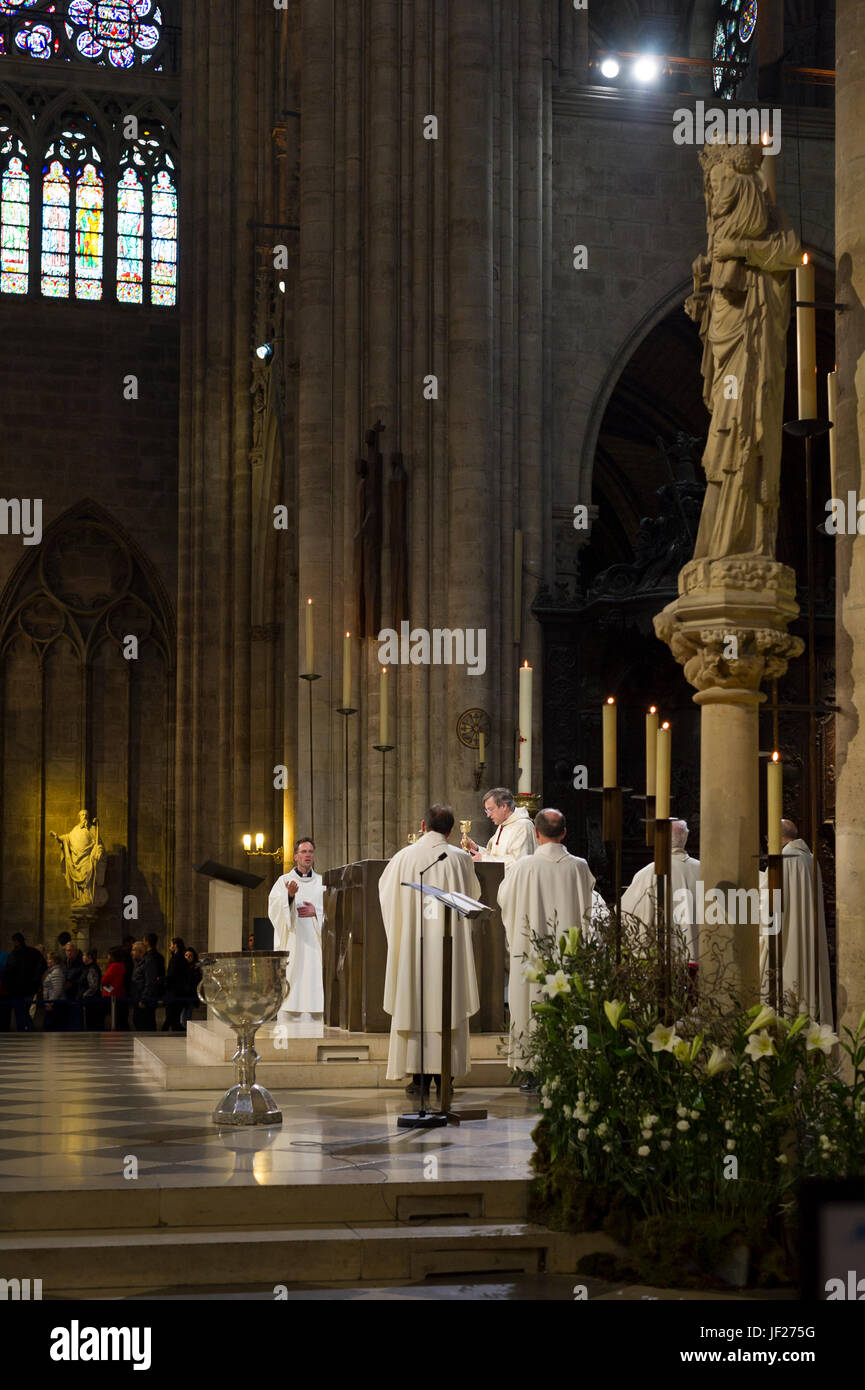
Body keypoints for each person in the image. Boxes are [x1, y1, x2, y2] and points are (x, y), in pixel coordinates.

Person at [379, 803, 481, 1096]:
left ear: (422, 826)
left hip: (414, 944)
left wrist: (403, 927)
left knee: (414, 999)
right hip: (449, 947)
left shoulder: (403, 857)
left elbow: (386, 894)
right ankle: (445, 1077)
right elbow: (473, 896)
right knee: (447, 999)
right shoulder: (461, 859)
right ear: (450, 831)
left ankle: (418, 1078)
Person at [498, 809, 595, 1084]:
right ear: (564, 832)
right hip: (569, 949)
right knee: (570, 1004)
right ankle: (571, 1063)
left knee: (530, 1002)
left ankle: (531, 1069)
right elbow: (588, 905)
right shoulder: (579, 866)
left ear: (536, 834)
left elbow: (504, 899)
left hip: (530, 950)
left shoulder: (523, 866)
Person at [759, 819, 832, 1022]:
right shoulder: (810, 859)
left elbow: (767, 906)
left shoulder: (783, 860)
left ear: (774, 837)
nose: (766, 843)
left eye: (767, 838)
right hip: (806, 937)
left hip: (787, 939)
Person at [621, 819, 701, 962]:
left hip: (663, 961)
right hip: (701, 960)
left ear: (661, 838)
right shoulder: (706, 871)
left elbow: (626, 917)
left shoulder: (650, 873)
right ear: (686, 837)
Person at [268, 837, 325, 1033]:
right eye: (303, 852)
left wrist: (316, 912)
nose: (308, 855)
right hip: (294, 944)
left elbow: (333, 911)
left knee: (314, 980)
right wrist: (289, 897)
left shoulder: (322, 883)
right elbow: (275, 911)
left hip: (315, 947)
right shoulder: (283, 882)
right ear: (295, 856)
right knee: (294, 979)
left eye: (310, 852)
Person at [464, 787, 536, 869]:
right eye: (487, 811)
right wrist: (476, 849)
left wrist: (484, 859)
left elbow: (518, 861)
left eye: (490, 810)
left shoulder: (523, 826)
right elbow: (493, 855)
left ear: (504, 806)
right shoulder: (504, 825)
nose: (488, 815)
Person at [2, 933, 45, 1032]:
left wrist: (8, 986)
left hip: (18, 990)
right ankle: (29, 1031)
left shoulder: (14, 954)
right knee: (25, 1012)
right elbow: (42, 966)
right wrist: (35, 979)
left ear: (16, 942)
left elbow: (9, 971)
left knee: (20, 1013)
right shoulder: (33, 952)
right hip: (30, 988)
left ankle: (24, 1033)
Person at [162, 937, 193, 1033]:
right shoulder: (181, 959)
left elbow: (173, 975)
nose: (170, 947)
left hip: (174, 993)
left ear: (175, 945)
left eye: (171, 944)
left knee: (171, 1018)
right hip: (178, 993)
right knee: (174, 1020)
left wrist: (162, 979)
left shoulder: (176, 959)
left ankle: (161, 1034)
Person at [130, 941, 158, 1031]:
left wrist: (144, 999)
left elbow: (149, 983)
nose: (132, 952)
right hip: (138, 998)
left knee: (145, 1025)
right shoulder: (139, 963)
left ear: (141, 951)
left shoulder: (148, 962)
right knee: (138, 1022)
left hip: (144, 1001)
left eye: (134, 950)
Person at [62, 939, 87, 1031]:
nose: (69, 953)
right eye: (67, 950)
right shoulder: (64, 963)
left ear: (76, 951)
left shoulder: (81, 963)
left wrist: (72, 983)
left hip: (76, 995)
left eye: (70, 950)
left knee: (76, 1021)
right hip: (65, 995)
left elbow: (83, 977)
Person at [101, 947, 128, 1031]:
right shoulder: (122, 965)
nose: (107, 956)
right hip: (118, 993)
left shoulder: (114, 966)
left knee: (114, 1018)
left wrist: (102, 984)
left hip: (111, 995)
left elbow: (104, 980)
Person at [41, 952, 67, 1032]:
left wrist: (50, 1003)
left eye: (49, 959)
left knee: (51, 1029)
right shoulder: (52, 971)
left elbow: (57, 990)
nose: (47, 960)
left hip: (55, 1005)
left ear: (54, 961)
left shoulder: (56, 972)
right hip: (53, 1004)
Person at [80, 950, 103, 1030]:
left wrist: (85, 994)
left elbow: (93, 986)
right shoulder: (89, 968)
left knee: (92, 1022)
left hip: (92, 1000)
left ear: (89, 957)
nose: (82, 957)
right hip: (92, 999)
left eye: (83, 955)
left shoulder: (92, 969)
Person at [182, 948, 202, 1028]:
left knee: (186, 1018)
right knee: (182, 1018)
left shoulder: (195, 968)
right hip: (182, 996)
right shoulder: (182, 967)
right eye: (186, 955)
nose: (187, 957)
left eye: (190, 956)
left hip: (190, 996)